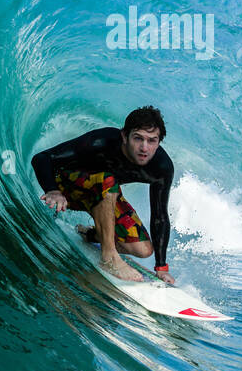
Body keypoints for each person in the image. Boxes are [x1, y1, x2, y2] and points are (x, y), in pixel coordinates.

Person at [31, 106, 175, 285]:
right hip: (68, 188)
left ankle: (91, 235)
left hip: (102, 196)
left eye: (152, 141)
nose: (144, 148)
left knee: (143, 249)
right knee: (109, 179)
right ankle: (109, 257)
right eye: (138, 138)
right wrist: (52, 190)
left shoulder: (161, 167)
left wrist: (161, 267)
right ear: (124, 136)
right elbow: (42, 158)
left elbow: (160, 216)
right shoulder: (101, 141)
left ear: (159, 142)